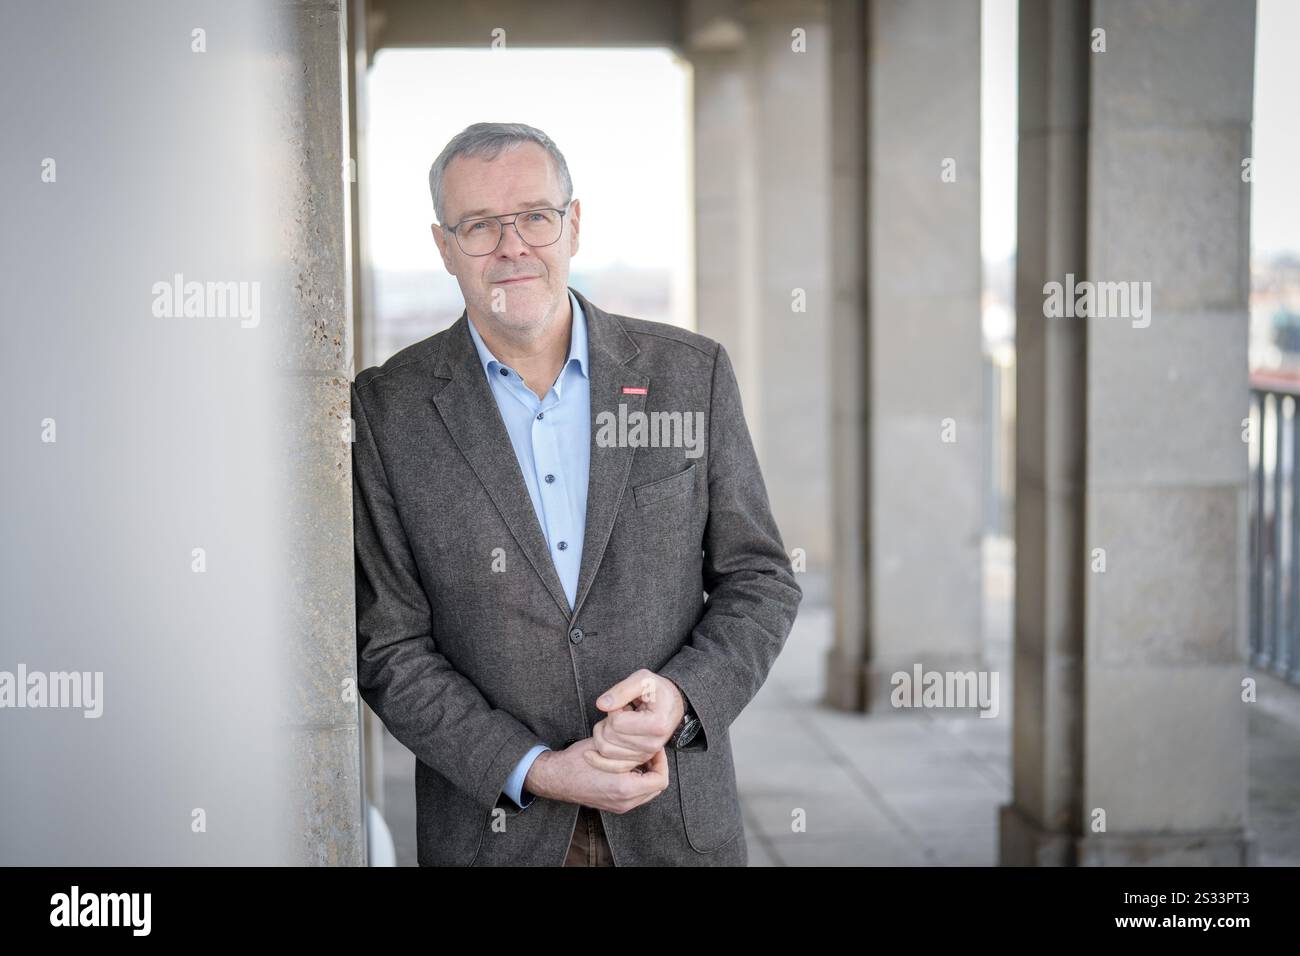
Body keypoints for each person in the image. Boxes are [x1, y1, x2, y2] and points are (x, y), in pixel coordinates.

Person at [351, 122, 802, 866]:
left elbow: (760, 579)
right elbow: (389, 646)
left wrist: (682, 700)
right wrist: (534, 768)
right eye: (479, 226)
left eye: (535, 215)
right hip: (494, 837)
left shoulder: (690, 375)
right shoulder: (388, 410)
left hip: (676, 821)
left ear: (574, 225)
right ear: (442, 247)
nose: (512, 246)